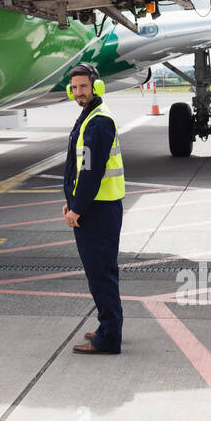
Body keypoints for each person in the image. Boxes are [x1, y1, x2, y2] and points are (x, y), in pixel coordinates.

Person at [62, 63, 125, 354]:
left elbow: (90, 171)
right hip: (96, 208)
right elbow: (78, 168)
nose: (78, 93)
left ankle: (109, 339)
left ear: (96, 87)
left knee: (100, 274)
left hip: (98, 210)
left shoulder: (98, 122)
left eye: (83, 87)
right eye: (74, 88)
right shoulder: (88, 117)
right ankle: (107, 327)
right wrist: (71, 201)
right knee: (102, 272)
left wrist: (78, 209)